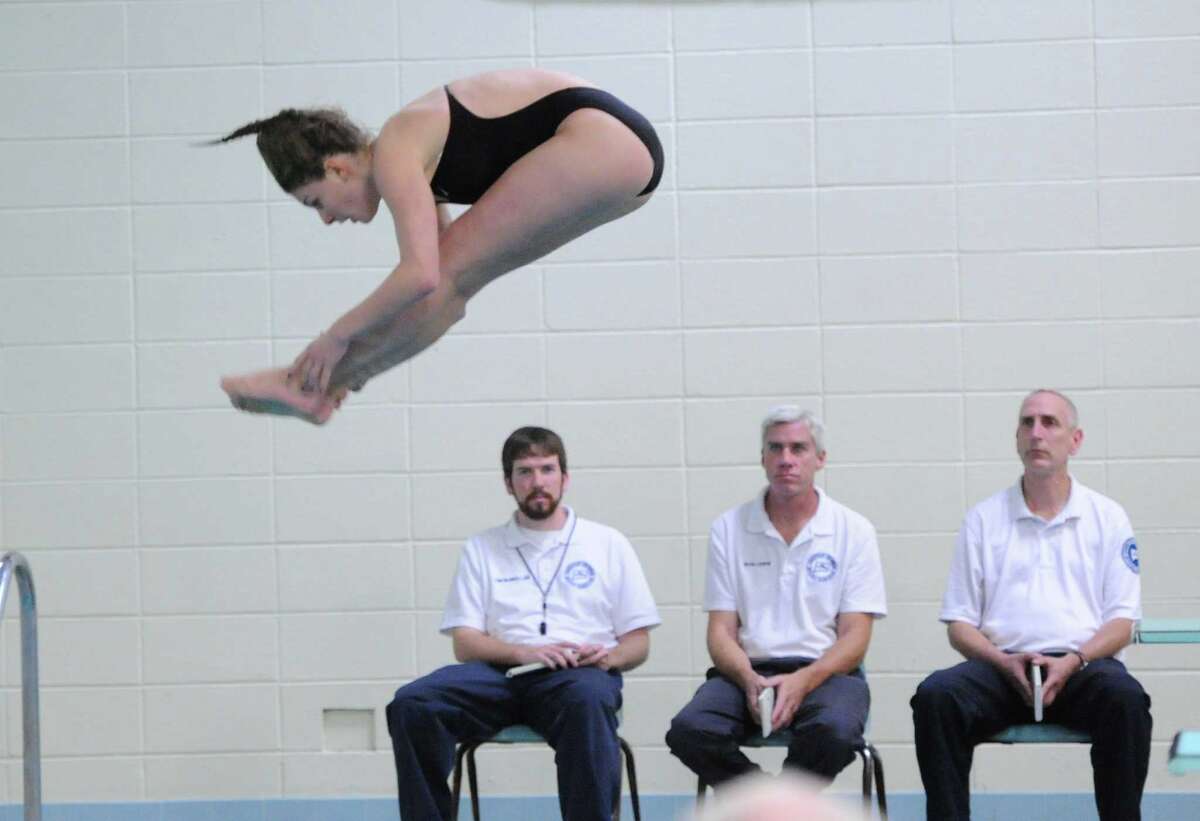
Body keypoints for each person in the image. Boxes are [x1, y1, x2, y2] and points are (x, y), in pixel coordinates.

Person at [214, 68, 663, 423]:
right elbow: (433, 294)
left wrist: (334, 337)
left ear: (338, 169)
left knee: (443, 276)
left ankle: (308, 386)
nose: (328, 218)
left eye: (315, 202)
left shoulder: (395, 147)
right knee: (453, 285)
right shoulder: (414, 164)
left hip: (602, 137)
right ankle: (321, 388)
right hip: (626, 163)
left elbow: (422, 275)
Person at [385, 426, 660, 821]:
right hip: (498, 678)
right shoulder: (482, 547)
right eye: (524, 472)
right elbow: (464, 642)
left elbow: (639, 643)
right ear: (508, 483)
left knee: (587, 698)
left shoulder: (607, 543)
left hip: (575, 678)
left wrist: (608, 658)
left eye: (547, 470)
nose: (537, 482)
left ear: (565, 478)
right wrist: (523, 652)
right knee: (413, 704)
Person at [911, 389, 1152, 821]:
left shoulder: (1107, 517)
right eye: (1027, 423)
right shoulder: (983, 519)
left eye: (1049, 423)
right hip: (1001, 670)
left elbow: (1122, 622)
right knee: (936, 697)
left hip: (1083, 668)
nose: (1036, 433)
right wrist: (1002, 661)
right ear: (1016, 439)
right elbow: (960, 624)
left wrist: (1076, 659)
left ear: (1075, 440)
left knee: (1127, 701)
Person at [666, 407, 888, 788]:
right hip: (746, 671)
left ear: (820, 459)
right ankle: (771, 804)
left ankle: (778, 808)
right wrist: (748, 678)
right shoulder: (728, 528)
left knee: (834, 732)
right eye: (776, 448)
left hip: (826, 672)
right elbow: (720, 633)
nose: (786, 459)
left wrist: (805, 679)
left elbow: (856, 637)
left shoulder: (853, 530)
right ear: (763, 458)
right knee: (690, 730)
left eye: (798, 448)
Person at [689, 772, 864, 821]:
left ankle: (783, 792)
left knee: (836, 732)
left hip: (831, 688)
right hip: (739, 688)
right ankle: (767, 792)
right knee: (688, 730)